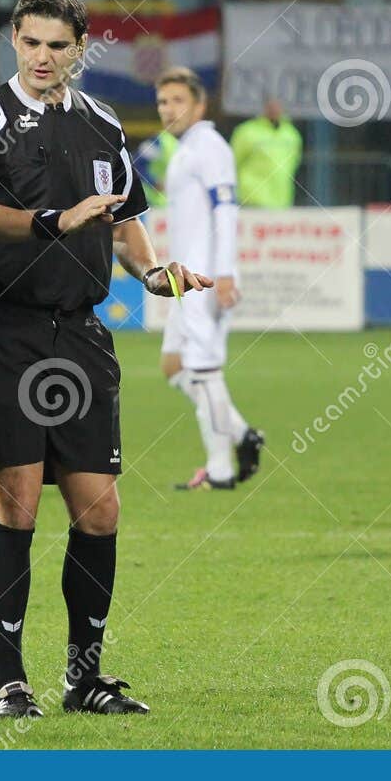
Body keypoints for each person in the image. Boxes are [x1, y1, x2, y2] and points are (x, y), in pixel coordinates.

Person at [0, 0, 216, 719]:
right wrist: (53, 220)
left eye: (57, 45)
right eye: (30, 42)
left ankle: (84, 677)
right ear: (13, 39)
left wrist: (156, 272)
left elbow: (125, 221)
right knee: (17, 505)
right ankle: (10, 680)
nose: (41, 56)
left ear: (80, 49)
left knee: (100, 510)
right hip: (9, 330)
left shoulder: (101, 124)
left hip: (83, 335)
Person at [154, 67, 265, 490]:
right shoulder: (183, 150)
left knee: (204, 371)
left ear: (199, 105)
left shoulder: (211, 147)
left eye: (178, 101)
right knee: (173, 366)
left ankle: (219, 471)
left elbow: (226, 210)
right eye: (163, 102)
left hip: (206, 280)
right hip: (185, 280)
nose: (168, 109)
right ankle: (243, 435)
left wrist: (224, 273)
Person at [231, 98, 302, 208]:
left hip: (282, 201)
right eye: (270, 105)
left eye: (278, 105)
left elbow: (294, 162)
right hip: (252, 201)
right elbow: (233, 163)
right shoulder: (246, 132)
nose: (274, 109)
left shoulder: (291, 133)